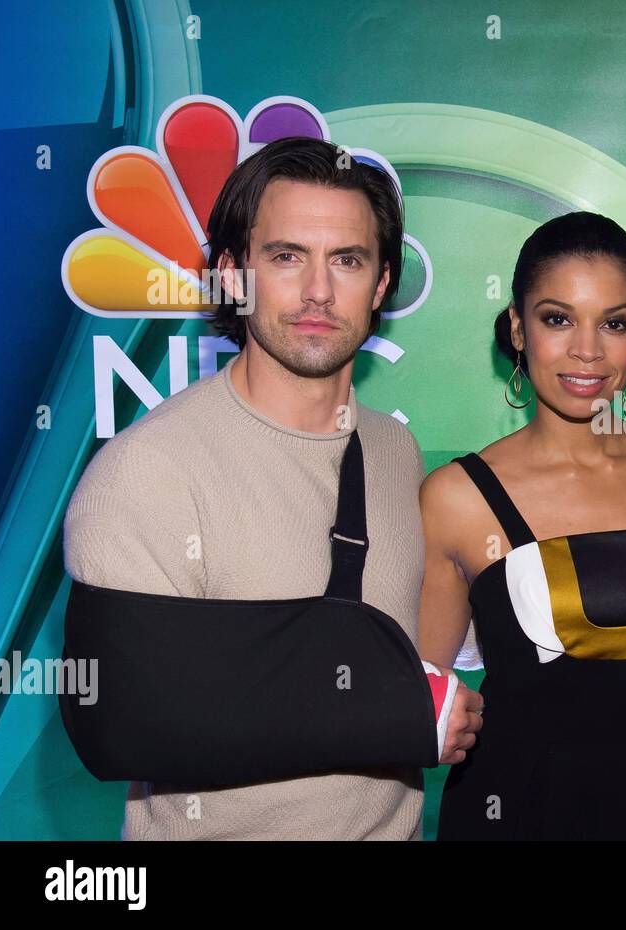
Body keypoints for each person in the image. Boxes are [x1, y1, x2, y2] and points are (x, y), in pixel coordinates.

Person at [61, 136, 481, 840]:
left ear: (380, 285)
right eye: (286, 257)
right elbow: (122, 721)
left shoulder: (394, 451)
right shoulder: (149, 470)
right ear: (233, 274)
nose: (318, 291)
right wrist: (388, 716)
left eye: (346, 260)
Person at [419, 211, 626, 840]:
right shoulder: (457, 498)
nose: (588, 350)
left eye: (615, 323)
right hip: (515, 810)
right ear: (518, 330)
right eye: (558, 319)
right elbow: (420, 703)